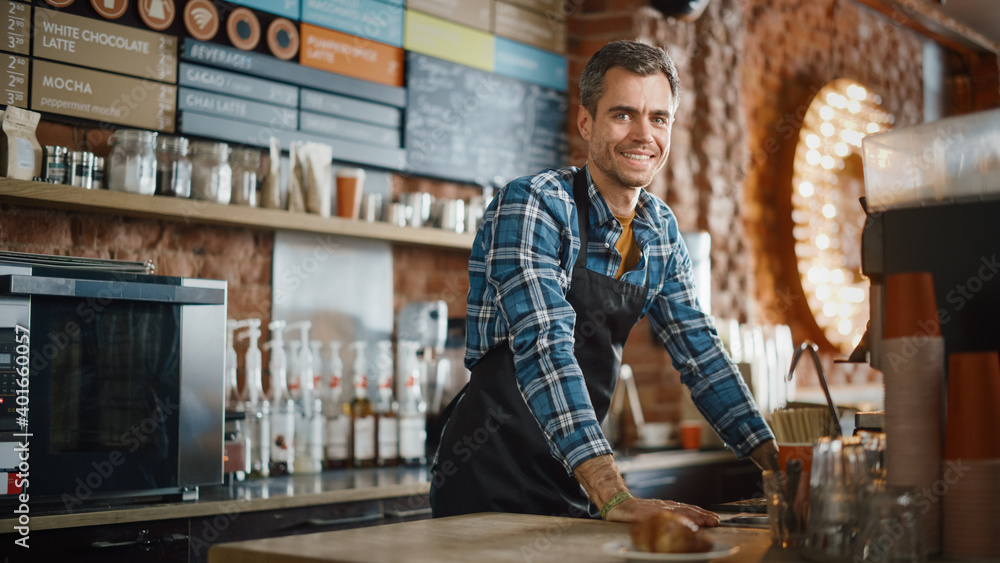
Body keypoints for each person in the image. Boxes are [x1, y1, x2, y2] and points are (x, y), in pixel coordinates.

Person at [430, 40, 778, 525]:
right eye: (623, 114)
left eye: (659, 118)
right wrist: (613, 494)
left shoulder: (659, 231)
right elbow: (545, 347)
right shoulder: (534, 205)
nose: (644, 135)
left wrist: (781, 467)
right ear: (586, 122)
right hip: (489, 479)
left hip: (574, 478)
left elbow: (702, 355)